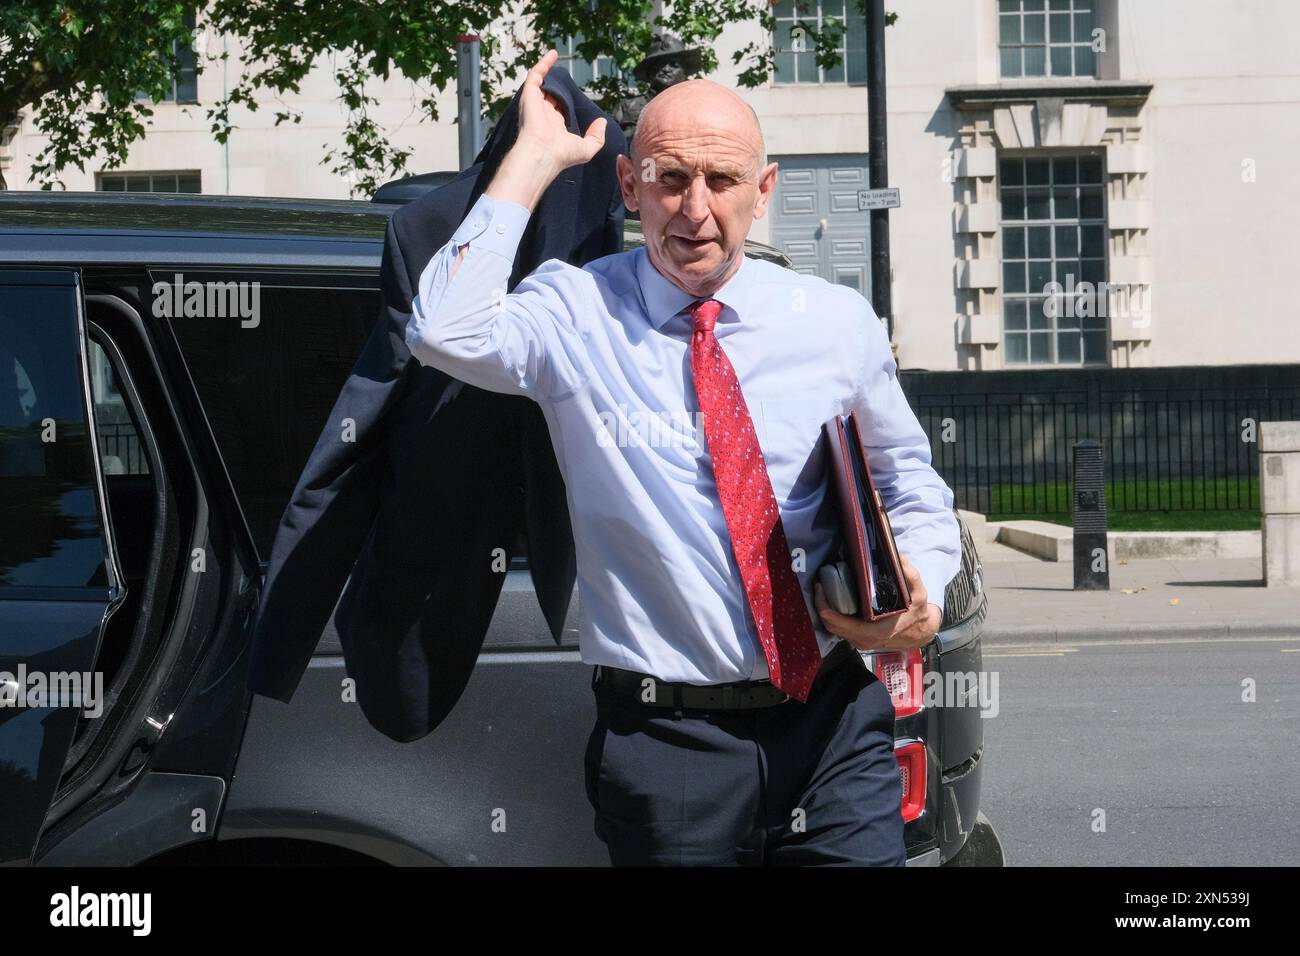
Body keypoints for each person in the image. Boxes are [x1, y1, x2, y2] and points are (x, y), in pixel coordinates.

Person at [405, 49, 962, 866]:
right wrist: (532, 160)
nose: (694, 208)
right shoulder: (574, 309)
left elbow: (908, 478)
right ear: (629, 186)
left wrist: (923, 581)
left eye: (723, 181)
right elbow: (441, 328)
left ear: (763, 191)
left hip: (832, 722)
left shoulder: (834, 322)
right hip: (668, 744)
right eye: (668, 178)